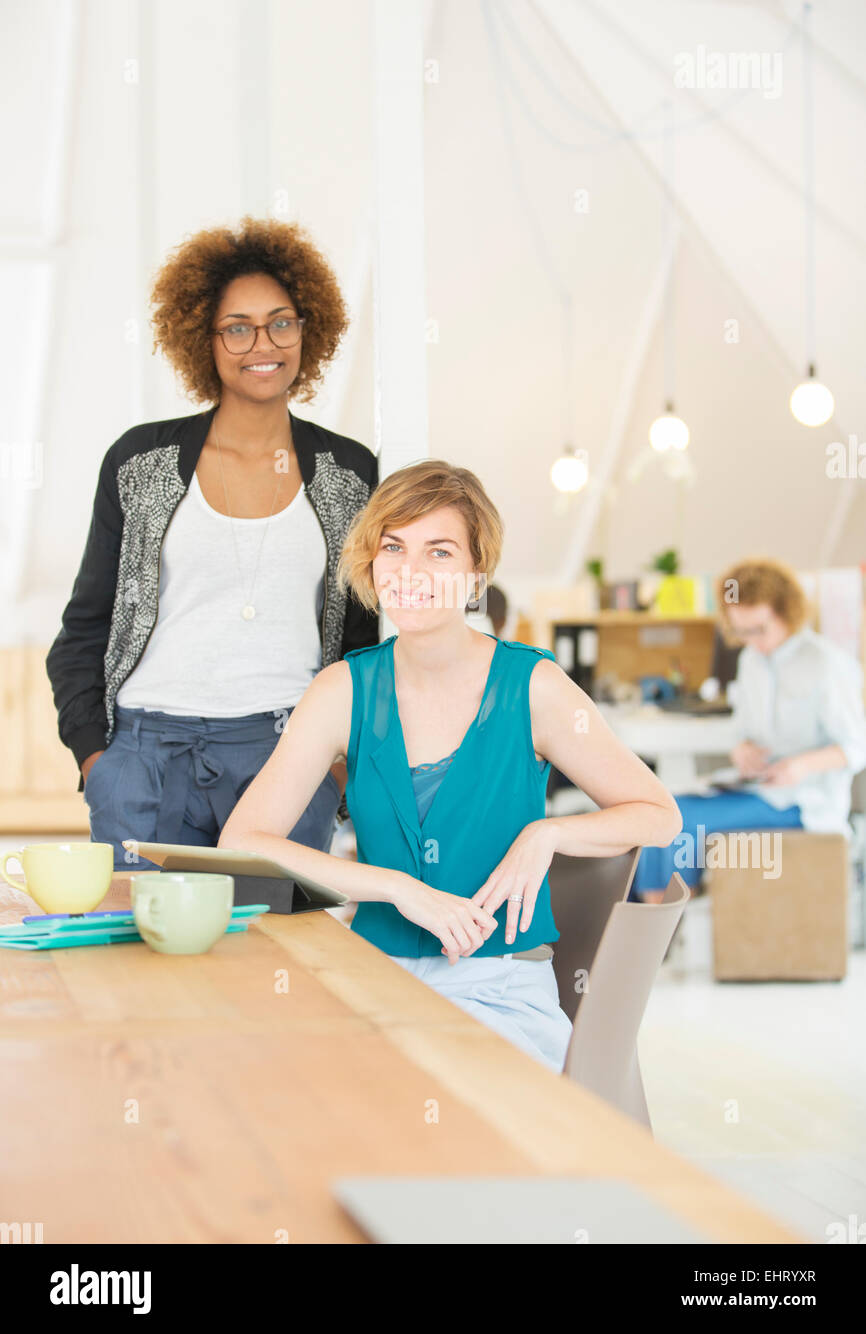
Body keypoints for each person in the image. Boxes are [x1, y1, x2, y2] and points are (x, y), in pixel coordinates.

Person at [218, 460, 682, 1072]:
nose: (410, 573)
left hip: (501, 990)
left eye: (439, 552)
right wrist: (396, 888)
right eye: (394, 547)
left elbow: (660, 816)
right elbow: (243, 842)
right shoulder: (344, 690)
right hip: (373, 980)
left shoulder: (533, 686)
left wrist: (548, 834)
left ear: (474, 575)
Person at [46, 217, 379, 879]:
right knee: (144, 969)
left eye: (282, 322)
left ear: (308, 330)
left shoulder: (351, 473)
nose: (264, 343)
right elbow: (83, 628)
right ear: (205, 337)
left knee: (277, 964)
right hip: (145, 756)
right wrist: (98, 761)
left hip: (288, 758)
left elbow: (363, 646)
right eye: (238, 327)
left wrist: (334, 769)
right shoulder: (140, 461)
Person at [632, 557, 866, 902]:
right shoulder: (751, 662)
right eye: (741, 631)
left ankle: (660, 929)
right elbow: (740, 730)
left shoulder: (826, 663)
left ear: (787, 613)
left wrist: (800, 766)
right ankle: (655, 922)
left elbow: (856, 747)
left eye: (759, 629)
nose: (752, 640)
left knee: (679, 823)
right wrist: (741, 749)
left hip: (805, 800)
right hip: (758, 789)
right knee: (659, 808)